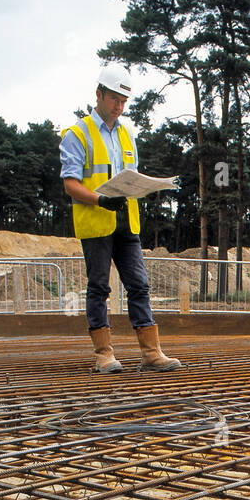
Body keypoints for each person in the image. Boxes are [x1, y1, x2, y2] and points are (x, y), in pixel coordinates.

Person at [60, 66, 180, 374]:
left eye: (124, 101)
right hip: (96, 222)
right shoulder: (77, 134)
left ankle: (151, 352)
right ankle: (104, 354)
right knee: (99, 287)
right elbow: (70, 183)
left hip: (127, 222)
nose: (119, 106)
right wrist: (101, 200)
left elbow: (131, 176)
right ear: (99, 95)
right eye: (114, 99)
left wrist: (146, 189)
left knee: (139, 285)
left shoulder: (126, 134)